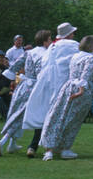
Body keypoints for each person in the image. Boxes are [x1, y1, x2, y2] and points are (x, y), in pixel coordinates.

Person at [23, 23, 78, 156]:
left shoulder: (50, 49)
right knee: (54, 116)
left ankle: (34, 147)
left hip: (42, 84)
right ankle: (52, 149)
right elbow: (87, 51)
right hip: (56, 85)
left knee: (45, 114)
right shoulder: (68, 45)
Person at [40, 36, 93, 161]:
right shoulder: (91, 58)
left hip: (68, 87)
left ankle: (50, 149)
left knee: (58, 116)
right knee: (73, 120)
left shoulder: (75, 56)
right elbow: (85, 75)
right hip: (80, 90)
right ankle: (64, 148)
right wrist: (81, 90)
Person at [0, 30, 50, 154]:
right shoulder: (46, 54)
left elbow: (15, 65)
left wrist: (9, 76)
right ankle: (3, 141)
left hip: (24, 85)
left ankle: (12, 144)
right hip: (36, 87)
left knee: (16, 113)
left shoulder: (29, 52)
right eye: (49, 39)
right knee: (24, 116)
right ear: (45, 41)